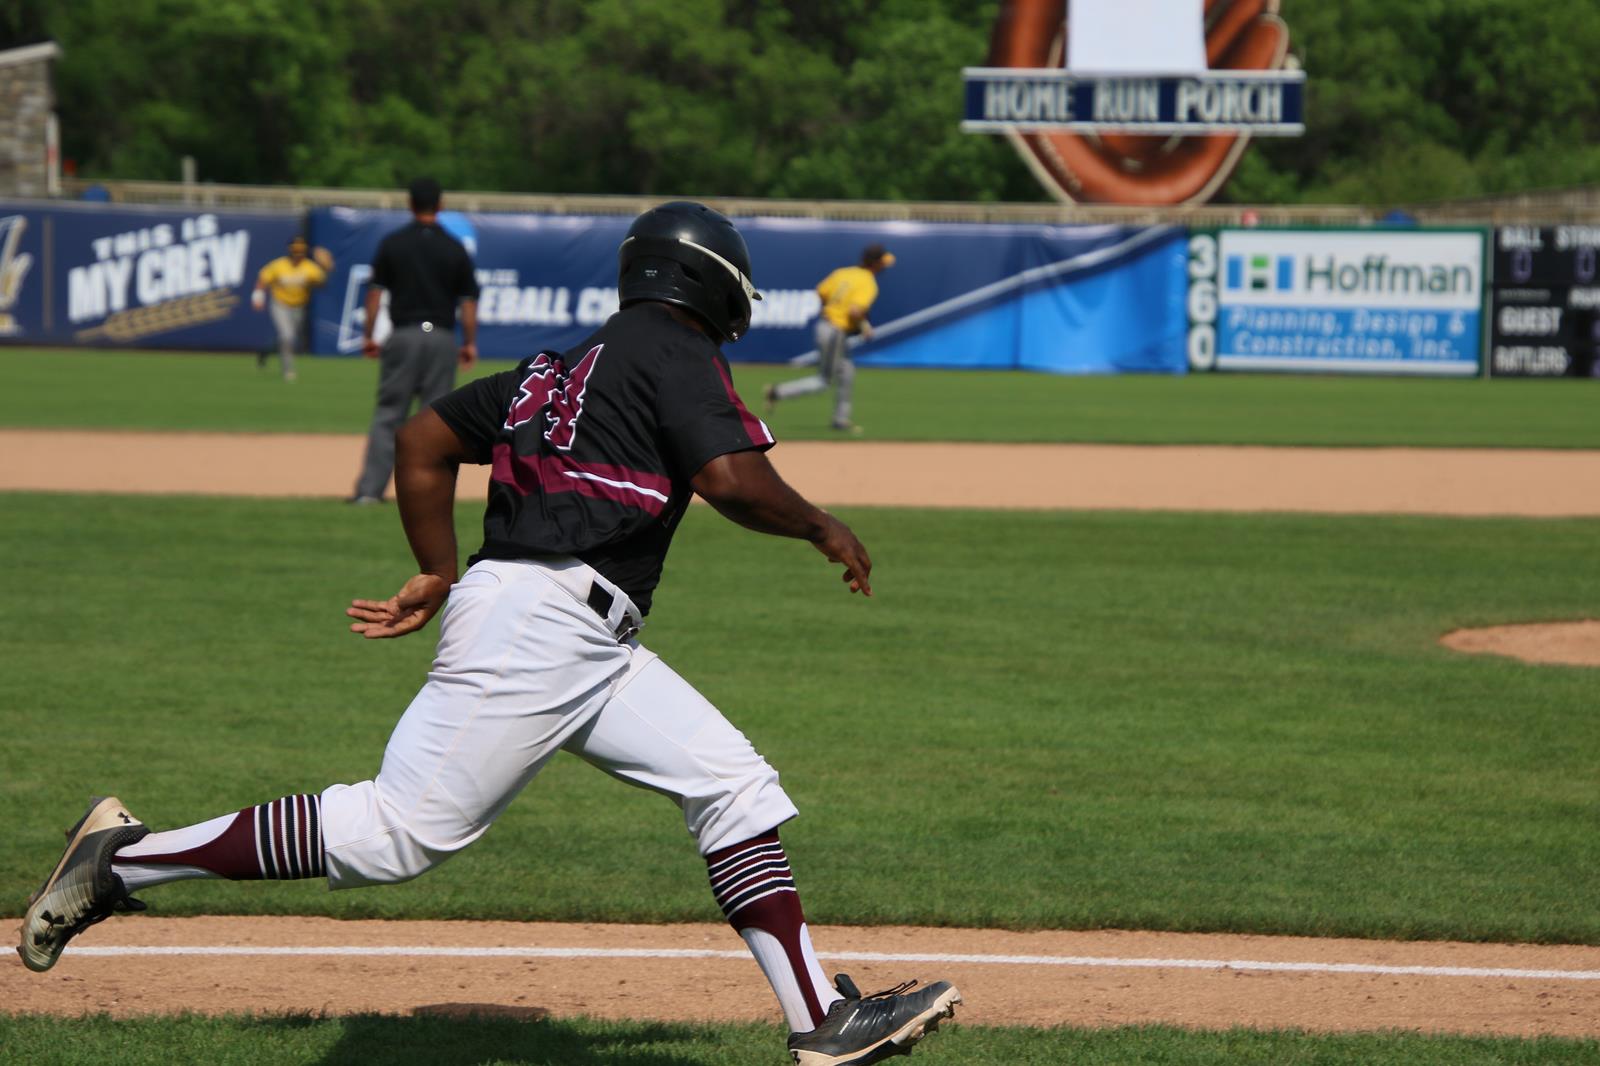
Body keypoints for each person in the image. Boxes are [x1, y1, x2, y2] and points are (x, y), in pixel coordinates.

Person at [17, 201, 961, 1066]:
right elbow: (729, 478)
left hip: (585, 637)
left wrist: (436, 568)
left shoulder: (555, 371)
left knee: (729, 783)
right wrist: (821, 524)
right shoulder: (674, 347)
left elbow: (423, 439)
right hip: (543, 624)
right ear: (709, 284)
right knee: (397, 835)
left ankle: (819, 1023)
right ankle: (124, 859)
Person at [350, 176, 480, 504]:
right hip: (440, 338)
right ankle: (431, 497)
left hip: (404, 335)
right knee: (438, 422)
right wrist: (469, 343)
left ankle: (369, 493)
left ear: (410, 205)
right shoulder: (454, 248)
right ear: (441, 206)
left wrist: (368, 336)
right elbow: (468, 303)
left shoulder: (393, 243)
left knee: (388, 414)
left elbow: (375, 296)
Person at [764, 243, 895, 435]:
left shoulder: (844, 273)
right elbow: (855, 310)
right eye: (883, 262)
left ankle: (841, 419)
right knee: (824, 381)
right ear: (875, 263)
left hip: (826, 326)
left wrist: (833, 308)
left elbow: (821, 291)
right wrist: (865, 328)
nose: (885, 266)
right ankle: (777, 392)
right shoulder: (868, 282)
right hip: (835, 330)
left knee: (847, 371)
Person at [251, 236, 332, 382]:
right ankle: (288, 370)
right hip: (280, 304)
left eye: (300, 252)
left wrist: (325, 270)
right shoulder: (279, 265)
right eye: (295, 251)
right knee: (287, 336)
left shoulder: (309, 267)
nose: (298, 255)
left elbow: (321, 285)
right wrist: (258, 297)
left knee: (286, 338)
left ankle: (265, 352)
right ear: (290, 251)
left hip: (299, 307)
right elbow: (263, 280)